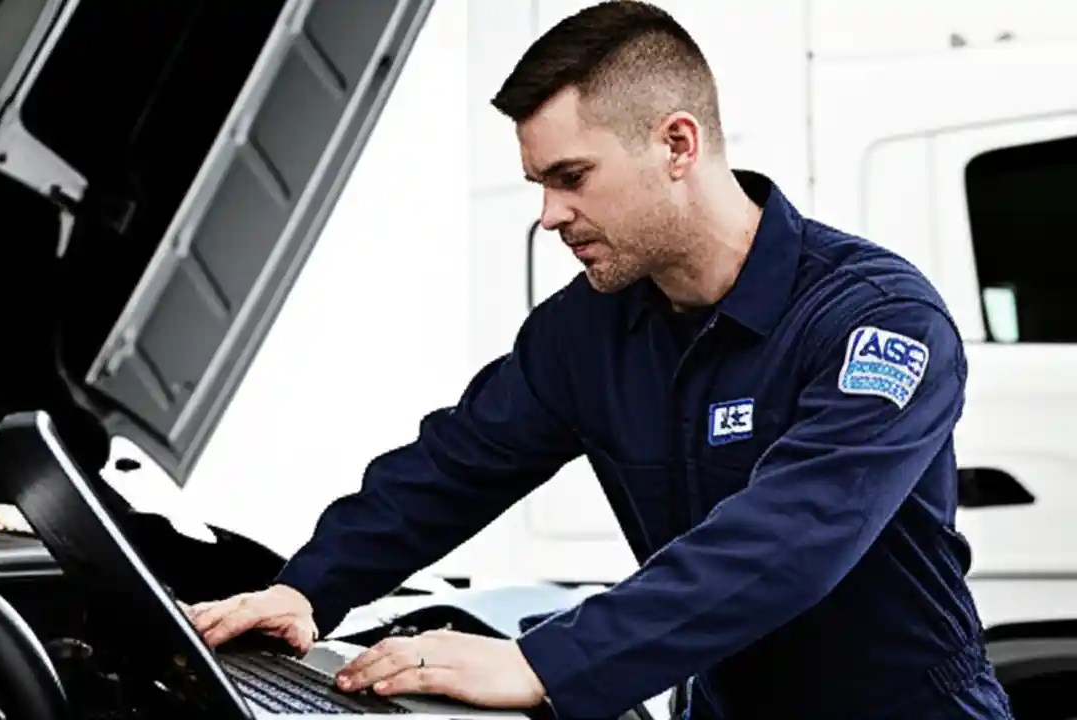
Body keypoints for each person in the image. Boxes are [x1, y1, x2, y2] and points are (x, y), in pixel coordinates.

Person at [187, 2, 1014, 718]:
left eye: (571, 177)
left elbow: (793, 537)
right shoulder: (587, 332)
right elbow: (454, 465)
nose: (550, 215)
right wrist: (307, 589)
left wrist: (542, 662)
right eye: (538, 184)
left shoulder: (873, 319)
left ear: (678, 144)